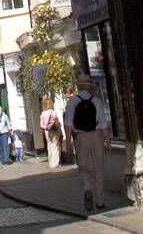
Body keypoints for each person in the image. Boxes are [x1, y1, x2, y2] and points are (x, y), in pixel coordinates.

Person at [64, 75, 110, 211]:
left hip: (81, 137)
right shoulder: (96, 101)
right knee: (99, 169)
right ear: (90, 87)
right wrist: (108, 141)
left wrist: (68, 141)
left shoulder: (72, 102)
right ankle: (100, 201)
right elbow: (102, 123)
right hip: (96, 136)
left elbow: (68, 123)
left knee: (83, 168)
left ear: (78, 87)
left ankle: (87, 188)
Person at [39, 98, 62, 168]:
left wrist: (46, 127)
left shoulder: (42, 113)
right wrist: (59, 127)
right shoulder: (53, 112)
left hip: (47, 131)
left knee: (49, 146)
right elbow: (56, 122)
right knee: (55, 145)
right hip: (54, 130)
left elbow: (41, 124)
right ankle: (55, 163)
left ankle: (51, 162)